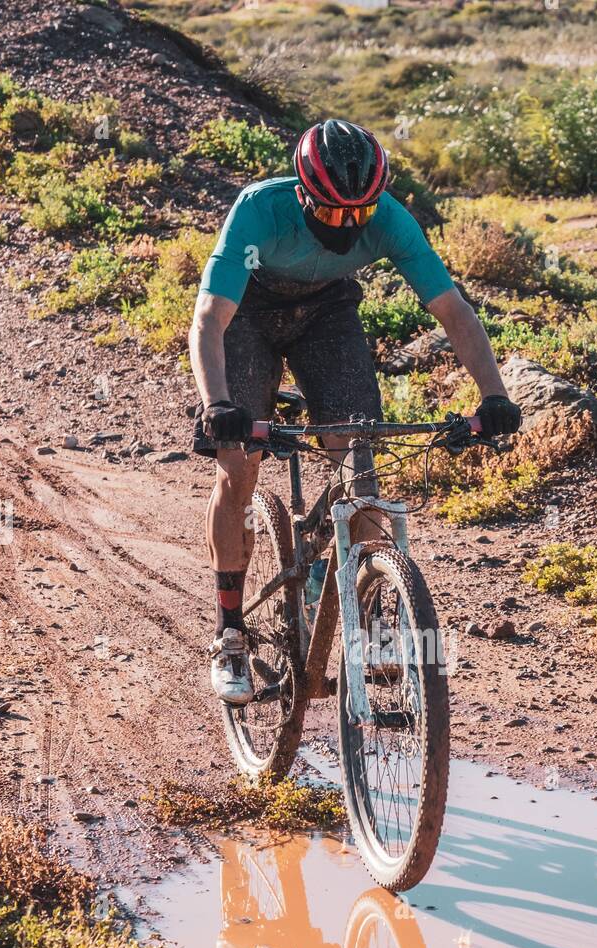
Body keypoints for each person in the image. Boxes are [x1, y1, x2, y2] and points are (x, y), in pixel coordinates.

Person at [190, 118, 521, 704]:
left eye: (359, 213)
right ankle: (231, 634)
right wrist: (218, 406)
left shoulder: (389, 217)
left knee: (360, 465)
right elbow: (210, 319)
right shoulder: (259, 212)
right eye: (333, 211)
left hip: (326, 316)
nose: (347, 224)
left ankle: (371, 615)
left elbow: (455, 312)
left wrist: (494, 394)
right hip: (247, 316)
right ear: (303, 194)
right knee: (237, 467)